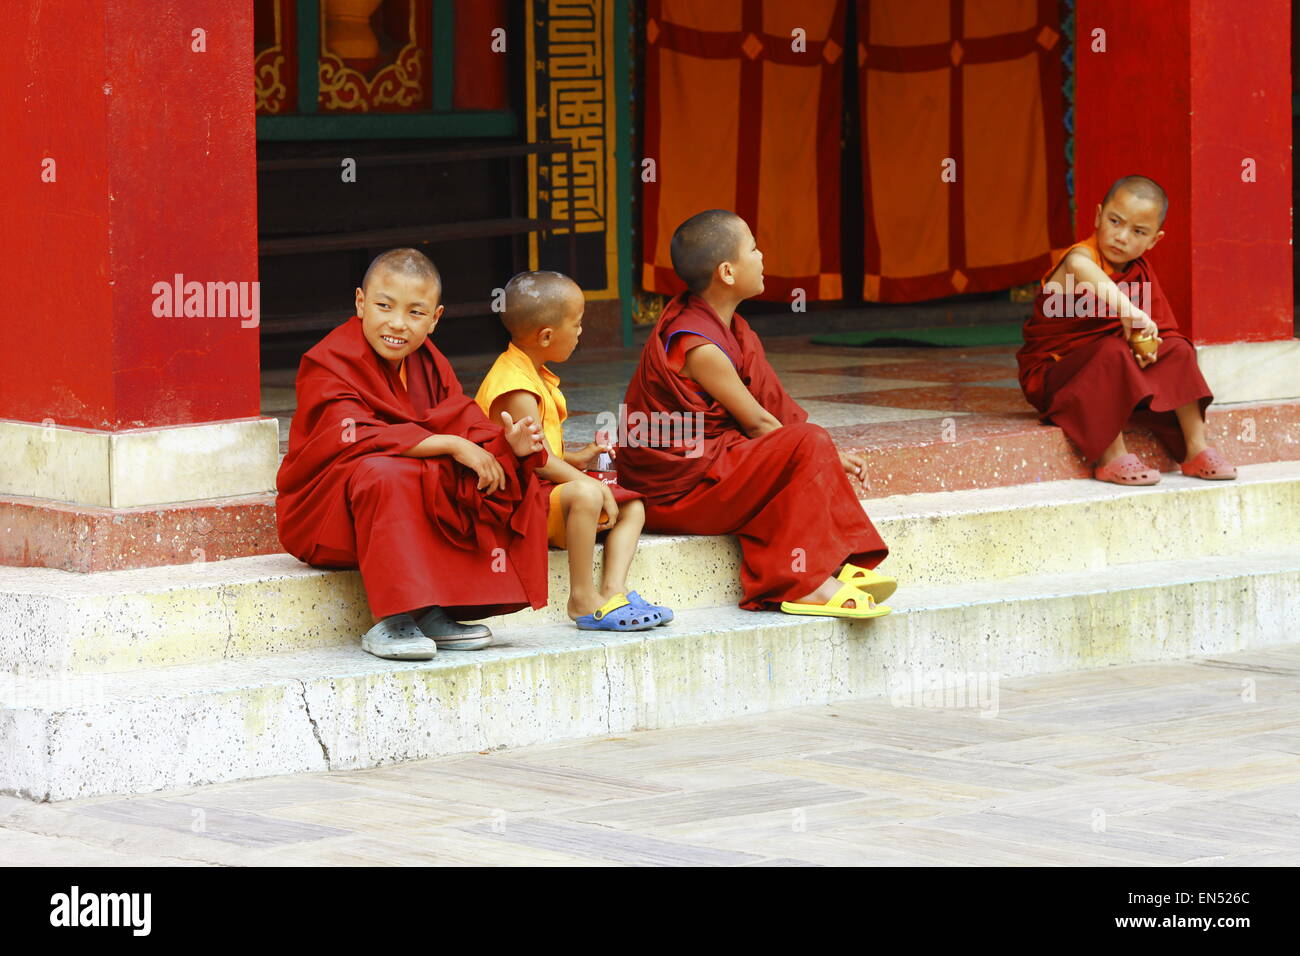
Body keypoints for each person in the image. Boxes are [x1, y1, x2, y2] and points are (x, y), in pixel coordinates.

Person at [276, 248, 550, 661]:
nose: (397, 324)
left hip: (383, 502)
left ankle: (433, 608)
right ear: (360, 303)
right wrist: (454, 445)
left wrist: (503, 446)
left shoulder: (429, 364)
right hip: (323, 513)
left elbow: (460, 418)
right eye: (384, 306)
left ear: (435, 319)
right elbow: (354, 436)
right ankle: (395, 616)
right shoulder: (328, 361)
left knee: (480, 469)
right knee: (387, 472)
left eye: (415, 313)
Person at [620, 210, 895, 619]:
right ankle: (801, 584)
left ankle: (831, 564)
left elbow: (773, 409)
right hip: (680, 493)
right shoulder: (700, 346)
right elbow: (760, 424)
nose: (762, 256)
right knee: (806, 442)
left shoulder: (734, 330)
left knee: (802, 444)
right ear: (727, 272)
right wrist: (818, 453)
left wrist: (807, 450)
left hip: (712, 469)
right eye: (753, 248)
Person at [476, 270, 672, 630]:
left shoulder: (533, 371)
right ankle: (581, 599)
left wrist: (577, 458)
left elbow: (542, 452)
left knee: (632, 505)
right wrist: (592, 485)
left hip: (542, 491)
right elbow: (537, 463)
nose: (581, 332)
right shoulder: (515, 386)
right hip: (518, 504)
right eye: (578, 324)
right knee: (585, 492)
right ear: (547, 335)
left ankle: (614, 592)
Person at [1017, 175, 1235, 485]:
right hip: (1055, 374)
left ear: (1154, 240)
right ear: (1097, 216)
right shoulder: (1079, 258)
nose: (1121, 237)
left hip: (1114, 368)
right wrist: (1129, 311)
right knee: (1112, 350)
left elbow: (1154, 330)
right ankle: (1111, 457)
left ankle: (1195, 448)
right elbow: (1083, 270)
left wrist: (1145, 343)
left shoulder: (1138, 270)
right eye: (1115, 221)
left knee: (1177, 348)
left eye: (1138, 231)